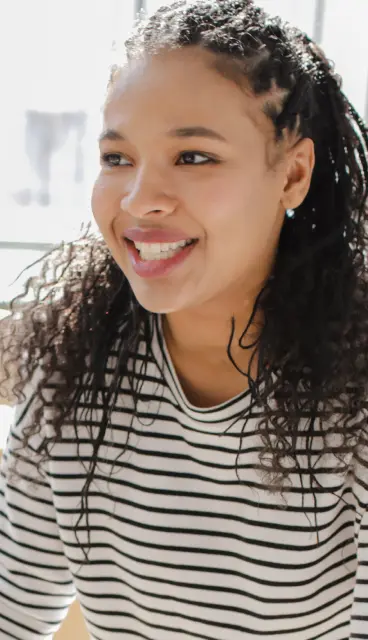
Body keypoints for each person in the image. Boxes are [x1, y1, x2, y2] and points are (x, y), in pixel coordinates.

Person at [0, 0, 368, 637]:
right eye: (117, 159)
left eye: (194, 157)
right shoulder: (66, 364)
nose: (141, 198)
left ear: (294, 173)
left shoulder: (354, 394)